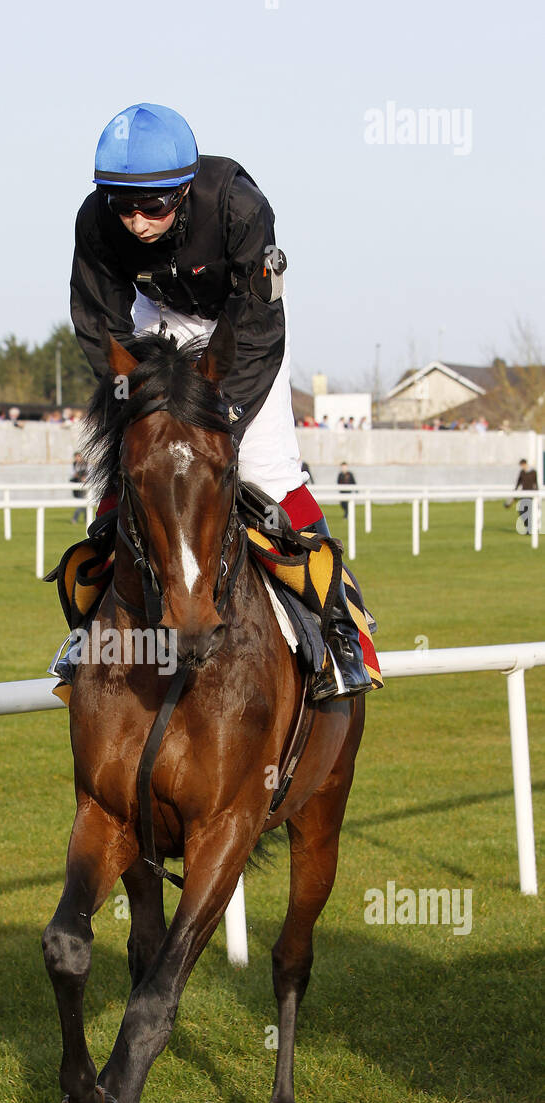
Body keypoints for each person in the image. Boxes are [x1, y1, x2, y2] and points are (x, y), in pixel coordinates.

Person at [52, 102, 371, 701]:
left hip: (237, 329)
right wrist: (135, 405)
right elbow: (98, 324)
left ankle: (339, 634)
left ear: (185, 186)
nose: (137, 223)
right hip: (157, 324)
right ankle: (87, 635)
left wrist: (218, 421)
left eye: (153, 206)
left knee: (267, 473)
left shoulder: (240, 205)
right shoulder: (95, 222)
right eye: (123, 206)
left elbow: (258, 327)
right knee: (135, 472)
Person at [504, 457, 537, 534]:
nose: (522, 466)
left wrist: (536, 494)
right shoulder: (522, 473)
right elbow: (518, 484)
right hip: (523, 495)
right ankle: (528, 528)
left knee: (530, 512)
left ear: (525, 464)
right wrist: (514, 495)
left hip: (531, 495)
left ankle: (531, 529)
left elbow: (536, 484)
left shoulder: (533, 472)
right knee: (522, 511)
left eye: (522, 465)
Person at [70, 451, 89, 523]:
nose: (77, 458)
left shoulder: (85, 464)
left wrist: (80, 477)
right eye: (76, 457)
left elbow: (87, 474)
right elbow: (74, 474)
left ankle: (75, 518)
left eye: (78, 457)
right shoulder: (74, 464)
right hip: (77, 484)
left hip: (84, 485)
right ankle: (86, 518)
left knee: (81, 501)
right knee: (83, 502)